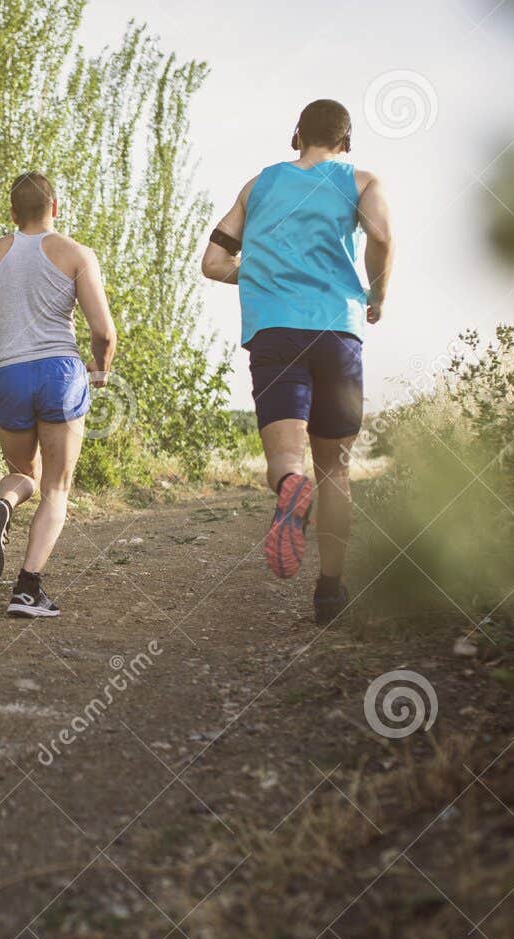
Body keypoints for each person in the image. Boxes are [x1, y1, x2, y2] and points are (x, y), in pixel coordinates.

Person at [201, 99, 394, 625]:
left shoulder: (258, 185)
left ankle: (289, 489)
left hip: (275, 330)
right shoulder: (361, 181)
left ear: (296, 136)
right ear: (346, 141)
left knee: (287, 460)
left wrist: (260, 273)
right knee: (334, 467)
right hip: (338, 329)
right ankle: (329, 591)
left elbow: (213, 262)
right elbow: (379, 236)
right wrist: (377, 293)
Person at [0, 171, 117, 618]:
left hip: (10, 374)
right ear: (55, 207)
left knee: (24, 473)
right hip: (60, 370)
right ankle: (27, 590)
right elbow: (103, 331)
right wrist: (100, 373)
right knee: (56, 487)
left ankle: (2, 504)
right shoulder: (76, 253)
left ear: (12, 213)